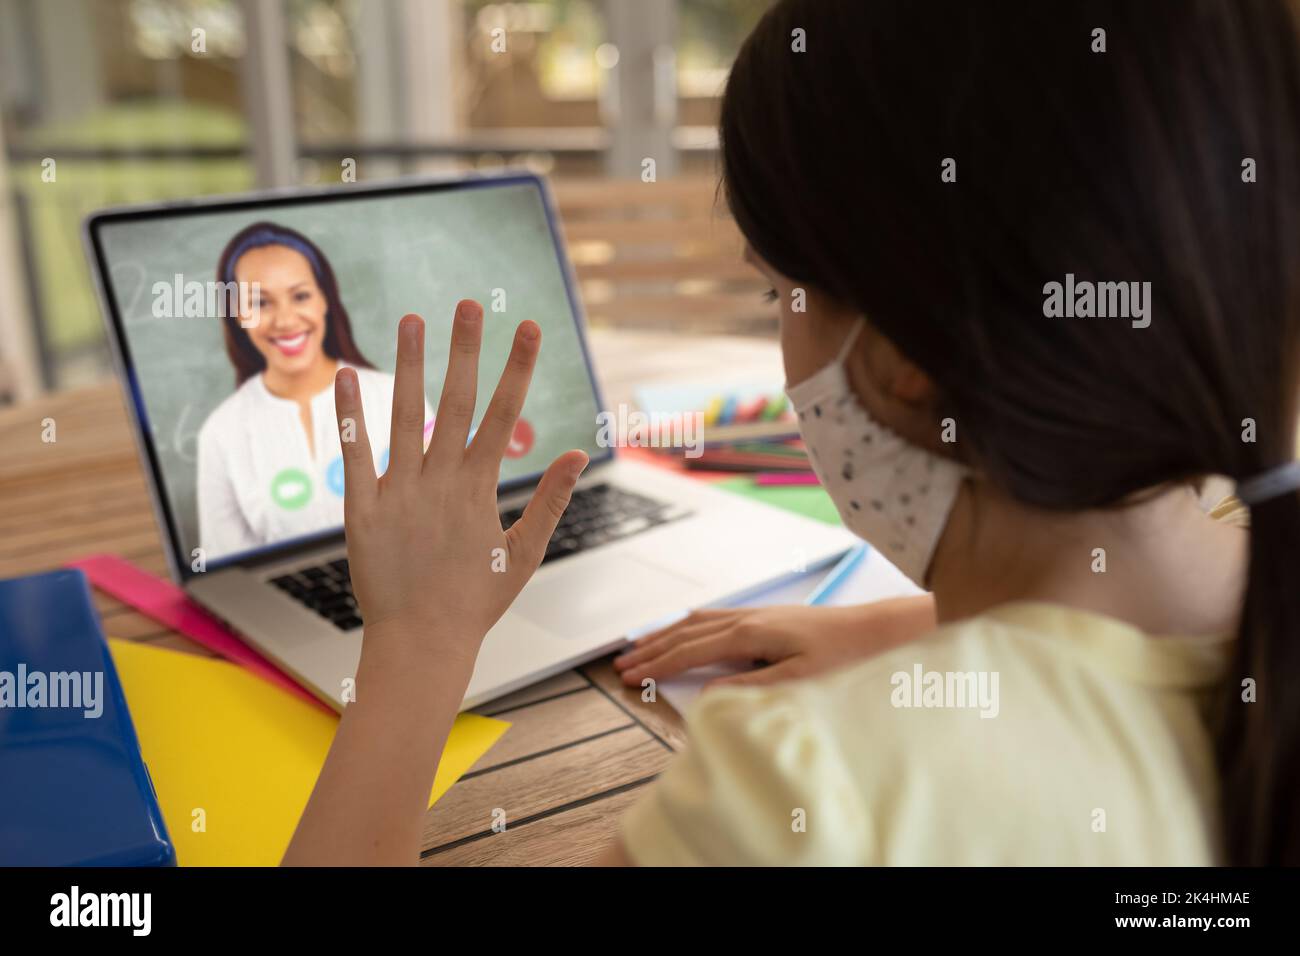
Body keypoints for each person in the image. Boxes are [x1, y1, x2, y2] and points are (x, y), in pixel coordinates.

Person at [283, 0, 1300, 866]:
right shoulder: (1261, 574)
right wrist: (911, 627)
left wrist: (414, 649)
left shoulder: (802, 795)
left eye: (779, 290)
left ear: (906, 352)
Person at [196, 222, 430, 560]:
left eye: (301, 296)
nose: (286, 320)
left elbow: (445, 515)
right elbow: (226, 567)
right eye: (260, 303)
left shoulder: (395, 396)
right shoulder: (221, 433)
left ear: (325, 300)